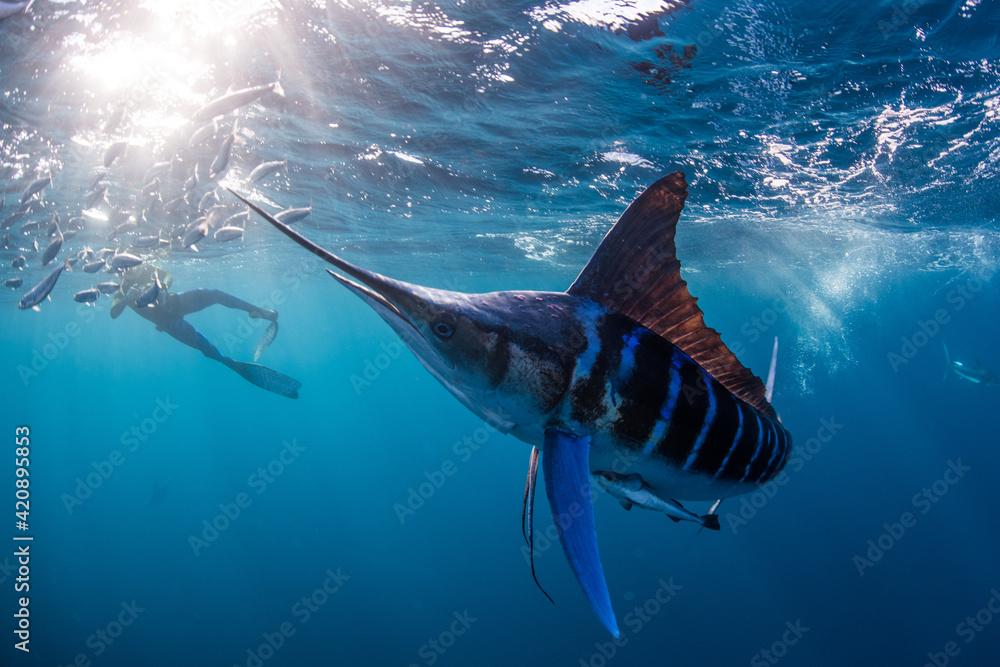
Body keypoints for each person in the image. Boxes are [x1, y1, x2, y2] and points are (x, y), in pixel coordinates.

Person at [110, 265, 301, 398]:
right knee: (206, 348)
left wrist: (163, 287)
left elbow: (167, 275)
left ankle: (258, 311)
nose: (128, 272)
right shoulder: (120, 292)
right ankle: (230, 363)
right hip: (168, 322)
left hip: (177, 302)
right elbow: (114, 312)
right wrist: (127, 299)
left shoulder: (147, 270)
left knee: (214, 294)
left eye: (130, 266)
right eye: (123, 270)